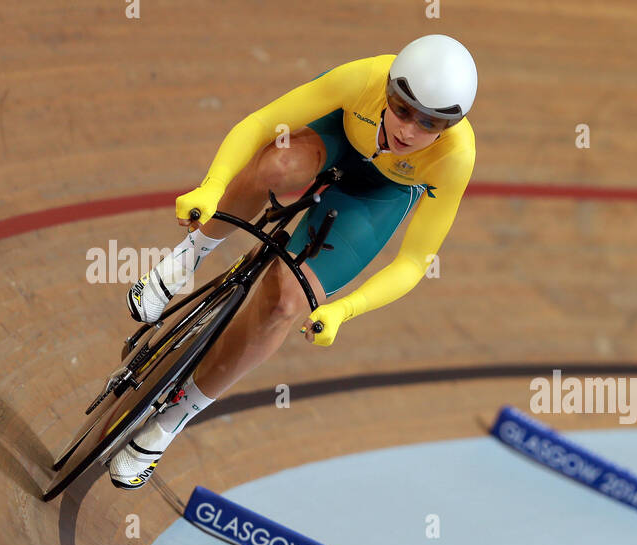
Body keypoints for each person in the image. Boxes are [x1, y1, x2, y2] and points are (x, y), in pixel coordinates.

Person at [108, 34, 477, 489]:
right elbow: (264, 123)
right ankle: (183, 261)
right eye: (402, 110)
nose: (408, 131)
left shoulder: (456, 157)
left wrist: (344, 310)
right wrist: (211, 186)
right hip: (334, 138)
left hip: (377, 196)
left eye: (429, 124)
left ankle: (172, 420)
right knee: (276, 167)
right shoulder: (363, 78)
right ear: (388, 91)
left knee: (284, 304)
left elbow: (416, 260)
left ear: (450, 126)